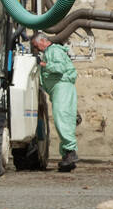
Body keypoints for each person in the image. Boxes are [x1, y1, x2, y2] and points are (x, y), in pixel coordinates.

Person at [32, 32, 79, 172]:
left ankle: (70, 151)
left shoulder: (54, 50)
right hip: (59, 89)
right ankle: (67, 156)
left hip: (62, 86)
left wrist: (41, 64)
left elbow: (59, 68)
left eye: (36, 45)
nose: (35, 48)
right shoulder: (50, 52)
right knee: (64, 118)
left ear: (43, 41)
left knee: (61, 118)